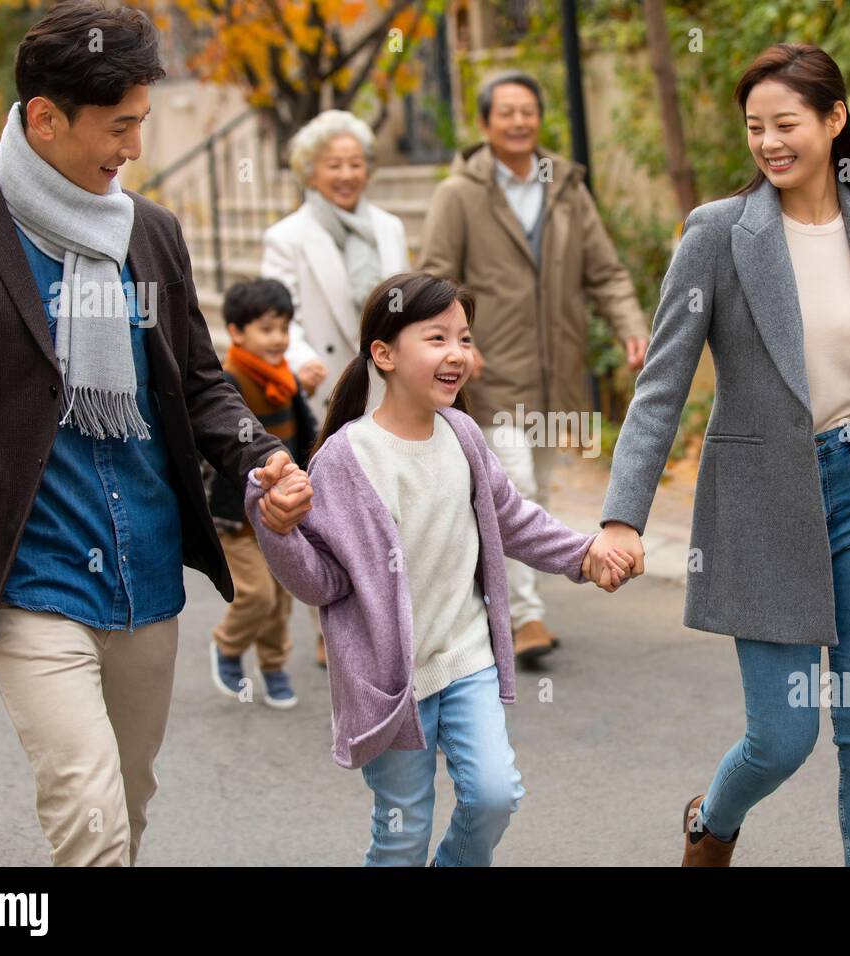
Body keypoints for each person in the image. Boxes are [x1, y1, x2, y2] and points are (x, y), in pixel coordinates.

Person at [0, 1, 311, 866]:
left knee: (128, 798)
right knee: (89, 814)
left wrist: (263, 454)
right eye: (118, 127)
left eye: (142, 125)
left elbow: (200, 381)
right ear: (45, 118)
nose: (133, 149)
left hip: (145, 571)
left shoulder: (149, 232)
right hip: (28, 578)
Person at [592, 43, 850, 866]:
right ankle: (712, 819)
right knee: (782, 737)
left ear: (834, 119)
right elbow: (663, 385)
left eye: (786, 123)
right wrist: (620, 515)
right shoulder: (717, 235)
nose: (769, 142)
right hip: (760, 501)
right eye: (754, 127)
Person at [243, 271, 633, 866]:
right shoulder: (346, 459)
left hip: (467, 658)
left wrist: (585, 554)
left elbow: (513, 520)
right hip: (391, 682)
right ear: (384, 354)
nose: (457, 354)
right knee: (401, 835)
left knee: (495, 797)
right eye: (437, 338)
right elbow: (320, 581)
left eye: (464, 340)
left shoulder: (464, 436)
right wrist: (276, 528)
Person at [417, 69, 649, 661]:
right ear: (486, 122)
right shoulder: (460, 194)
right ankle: (524, 617)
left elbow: (605, 272)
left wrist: (630, 326)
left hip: (557, 374)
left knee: (537, 489)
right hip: (490, 376)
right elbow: (436, 275)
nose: (519, 122)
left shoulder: (565, 186)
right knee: (513, 485)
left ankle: (486, 593)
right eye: (507, 112)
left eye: (529, 111)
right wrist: (458, 344)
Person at [262, 108, 410, 667]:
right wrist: (297, 357)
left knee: (387, 498)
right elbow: (283, 311)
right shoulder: (288, 236)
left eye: (355, 163)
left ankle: (390, 609)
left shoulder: (389, 227)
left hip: (387, 383)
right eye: (333, 165)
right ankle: (332, 620)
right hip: (325, 386)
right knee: (329, 506)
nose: (346, 174)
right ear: (309, 170)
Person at [207, 278, 319, 708]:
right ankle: (228, 646)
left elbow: (307, 431)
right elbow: (218, 452)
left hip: (282, 512)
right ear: (236, 332)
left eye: (284, 328)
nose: (278, 339)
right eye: (266, 329)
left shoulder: (285, 380)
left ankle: (273, 667)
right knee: (256, 594)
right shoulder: (226, 385)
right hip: (237, 518)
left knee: (281, 599)